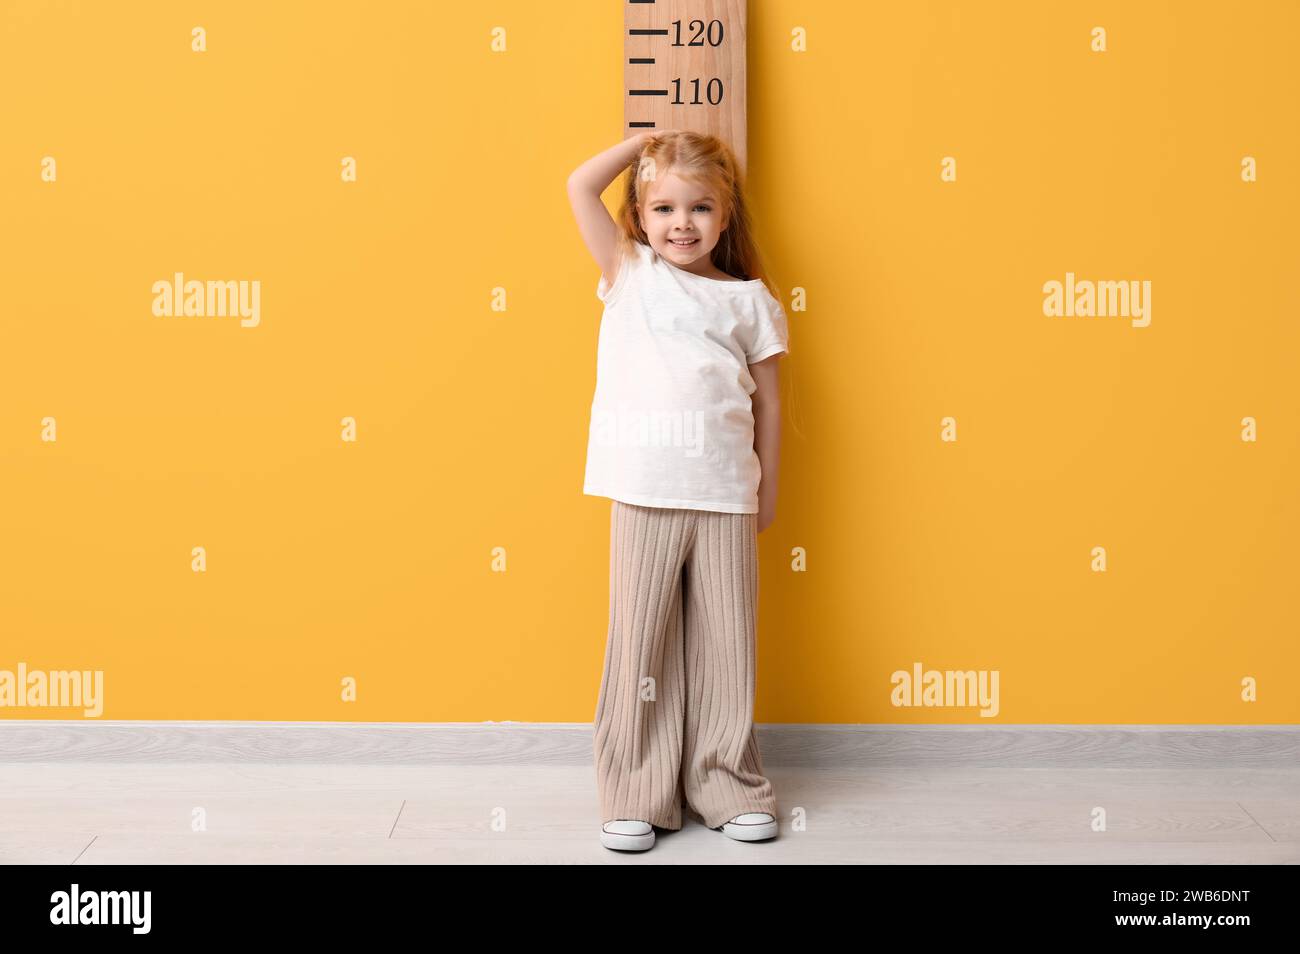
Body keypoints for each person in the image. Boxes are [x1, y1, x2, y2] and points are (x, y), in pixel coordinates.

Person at [566, 129, 789, 851]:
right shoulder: (628, 272)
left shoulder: (751, 301)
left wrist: (771, 492)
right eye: (663, 208)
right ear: (638, 215)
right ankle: (635, 788)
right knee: (641, 643)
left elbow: (772, 406)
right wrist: (642, 144)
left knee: (727, 643)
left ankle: (727, 781)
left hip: (726, 491)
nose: (681, 223)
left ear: (726, 217)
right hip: (643, 489)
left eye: (699, 208)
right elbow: (577, 186)